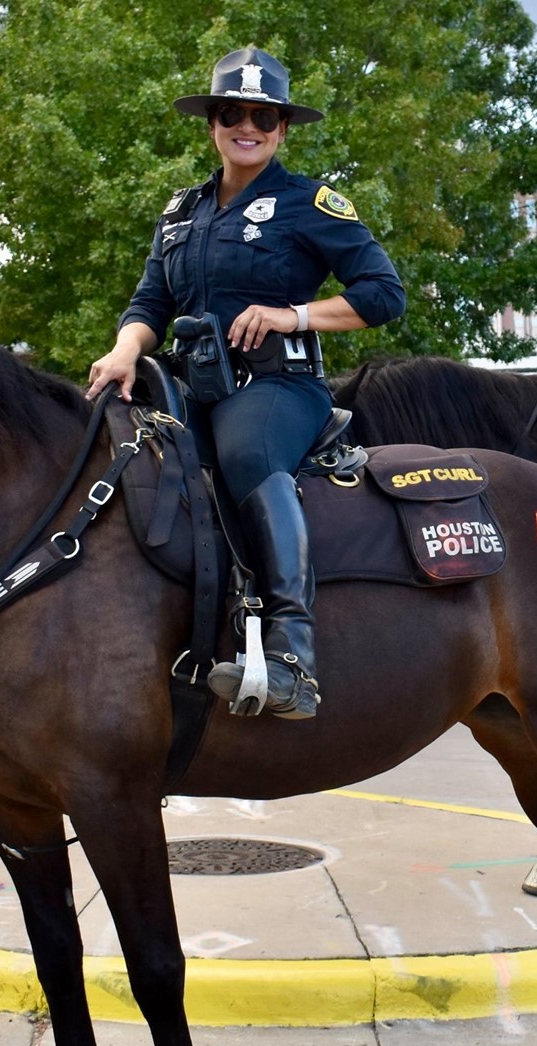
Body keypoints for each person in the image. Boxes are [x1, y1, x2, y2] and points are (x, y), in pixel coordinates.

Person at [86, 46, 406, 719]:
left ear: (282, 128)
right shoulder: (181, 211)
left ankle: (293, 657)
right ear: (213, 123)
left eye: (263, 115)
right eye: (233, 112)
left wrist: (294, 314)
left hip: (278, 389)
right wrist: (122, 350)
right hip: (190, 383)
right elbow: (150, 305)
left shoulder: (310, 202)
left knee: (245, 456)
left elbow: (383, 294)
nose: (247, 125)